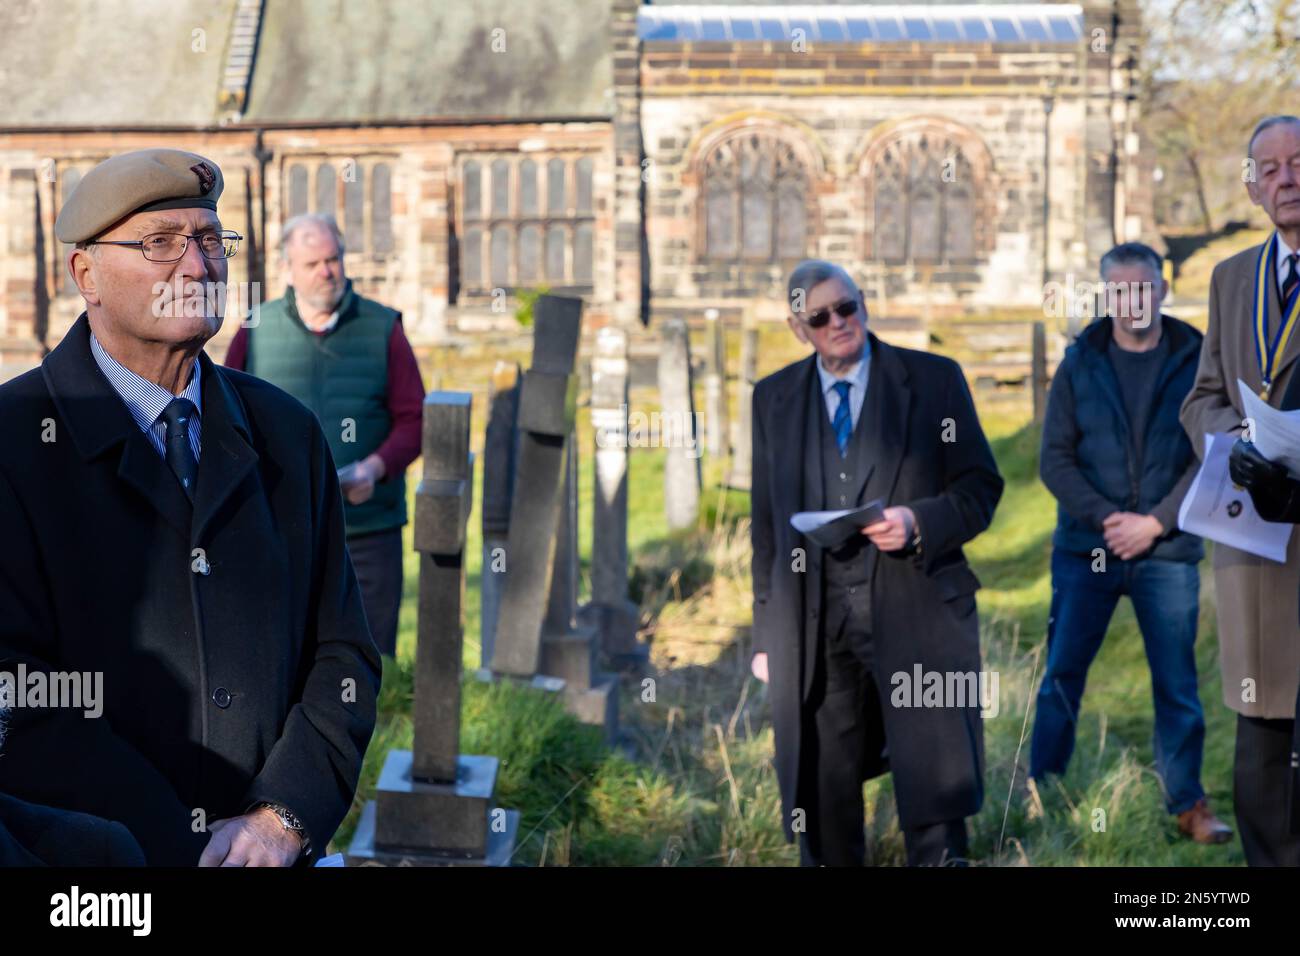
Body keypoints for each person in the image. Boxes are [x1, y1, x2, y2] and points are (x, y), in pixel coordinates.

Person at [0, 148, 380, 866]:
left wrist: (282, 816)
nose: (198, 267)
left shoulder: (287, 434)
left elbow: (343, 653)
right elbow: (15, 690)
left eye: (210, 240)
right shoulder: (16, 441)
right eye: (160, 243)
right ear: (86, 275)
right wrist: (180, 842)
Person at [749, 259, 1004, 866]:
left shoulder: (934, 381)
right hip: (814, 620)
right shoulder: (773, 398)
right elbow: (765, 527)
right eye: (820, 317)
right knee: (823, 779)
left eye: (848, 306)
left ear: (862, 303)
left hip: (916, 605)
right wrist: (766, 635)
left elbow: (979, 489)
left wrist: (919, 522)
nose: (839, 322)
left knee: (932, 774)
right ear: (798, 328)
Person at [1032, 242, 1231, 843]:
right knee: (1062, 674)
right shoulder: (1080, 361)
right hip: (1087, 548)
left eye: (1142, 288)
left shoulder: (1198, 358)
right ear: (1105, 294)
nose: (1131, 301)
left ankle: (1188, 805)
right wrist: (1110, 519)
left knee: (1177, 684)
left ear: (1162, 289)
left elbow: (1210, 455)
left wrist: (1157, 522)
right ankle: (1041, 793)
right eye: (1119, 290)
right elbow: (1054, 460)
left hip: (1166, 550)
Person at [1181, 114, 1300, 865]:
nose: (1288, 179)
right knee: (1261, 736)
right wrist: (1238, 445)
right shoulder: (1231, 278)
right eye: (1271, 168)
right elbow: (1201, 398)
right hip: (1255, 541)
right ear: (1253, 188)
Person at [224, 214, 424, 659]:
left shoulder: (383, 328)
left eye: (333, 259)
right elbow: (225, 418)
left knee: (370, 661)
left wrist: (375, 469)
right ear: (287, 269)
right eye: (312, 263)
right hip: (282, 530)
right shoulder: (255, 331)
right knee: (287, 663)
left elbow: (414, 420)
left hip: (368, 530)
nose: (326, 272)